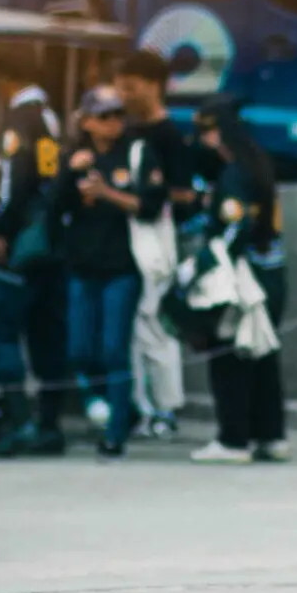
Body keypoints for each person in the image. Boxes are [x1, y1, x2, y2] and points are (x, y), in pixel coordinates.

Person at [53, 85, 166, 459]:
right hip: (82, 266)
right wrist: (68, 173)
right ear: (86, 121)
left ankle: (116, 432)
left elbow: (151, 205)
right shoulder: (76, 155)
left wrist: (108, 194)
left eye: (118, 114)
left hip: (122, 266)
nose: (113, 122)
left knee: (115, 348)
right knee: (80, 349)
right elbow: (54, 208)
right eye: (104, 116)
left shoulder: (135, 152)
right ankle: (122, 406)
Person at [0, 56, 69, 459]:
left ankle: (19, 422)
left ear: (5, 81)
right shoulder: (51, 117)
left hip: (22, 245)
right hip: (52, 244)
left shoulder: (19, 118)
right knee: (47, 335)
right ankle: (49, 426)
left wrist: (1, 229)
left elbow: (16, 178)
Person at [188, 100, 292, 464]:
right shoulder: (259, 164)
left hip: (243, 280)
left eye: (205, 131)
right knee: (263, 355)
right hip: (272, 275)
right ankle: (271, 436)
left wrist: (208, 265)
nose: (203, 140)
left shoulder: (234, 173)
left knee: (229, 359)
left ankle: (233, 440)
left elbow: (235, 227)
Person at [115, 50, 188, 440]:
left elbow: (182, 193)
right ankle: (138, 406)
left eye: (131, 87)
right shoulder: (125, 130)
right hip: (121, 241)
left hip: (154, 239)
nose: (124, 96)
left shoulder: (168, 135)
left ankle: (166, 407)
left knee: (152, 323)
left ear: (154, 86)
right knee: (129, 330)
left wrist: (146, 196)